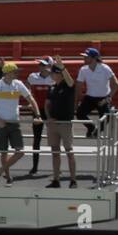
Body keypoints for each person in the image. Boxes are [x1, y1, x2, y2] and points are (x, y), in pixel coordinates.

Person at [0, 61, 43, 185]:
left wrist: (38, 115)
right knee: (3, 151)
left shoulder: (18, 84)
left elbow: (31, 99)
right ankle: (7, 177)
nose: (17, 74)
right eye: (15, 72)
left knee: (20, 151)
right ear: (7, 73)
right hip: (1, 122)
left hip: (14, 122)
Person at [43, 57, 78, 188]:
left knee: (69, 151)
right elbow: (47, 104)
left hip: (65, 123)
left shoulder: (68, 86)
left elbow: (71, 81)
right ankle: (56, 179)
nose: (51, 75)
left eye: (53, 73)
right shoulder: (52, 88)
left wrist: (63, 67)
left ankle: (73, 180)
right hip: (53, 125)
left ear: (60, 74)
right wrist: (48, 117)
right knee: (55, 152)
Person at [75, 47, 118, 138]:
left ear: (94, 58)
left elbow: (116, 84)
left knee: (106, 117)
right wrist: (77, 100)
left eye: (87, 57)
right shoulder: (83, 69)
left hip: (103, 97)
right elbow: (78, 86)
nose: (84, 59)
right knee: (79, 114)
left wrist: (108, 98)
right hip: (89, 97)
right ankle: (91, 128)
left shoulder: (105, 68)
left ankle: (97, 131)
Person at [25, 58, 58, 176]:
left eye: (43, 65)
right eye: (40, 64)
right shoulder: (33, 76)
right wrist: (29, 99)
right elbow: (27, 87)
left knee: (54, 139)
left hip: (52, 111)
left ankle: (56, 168)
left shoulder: (54, 78)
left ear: (50, 66)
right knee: (36, 138)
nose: (40, 66)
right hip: (37, 110)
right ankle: (34, 167)